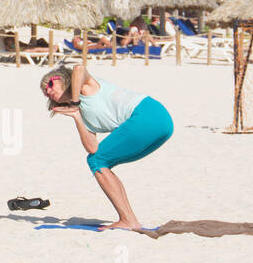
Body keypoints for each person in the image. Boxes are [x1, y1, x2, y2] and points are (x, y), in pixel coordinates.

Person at [39, 63, 173, 231]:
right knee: (98, 160)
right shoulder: (81, 111)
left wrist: (74, 101)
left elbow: (79, 68)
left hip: (148, 113)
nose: (49, 91)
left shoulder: (85, 86)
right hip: (159, 123)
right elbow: (92, 148)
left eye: (50, 83)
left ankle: (128, 220)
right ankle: (129, 219)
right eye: (45, 92)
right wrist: (76, 115)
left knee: (97, 160)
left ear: (63, 78)